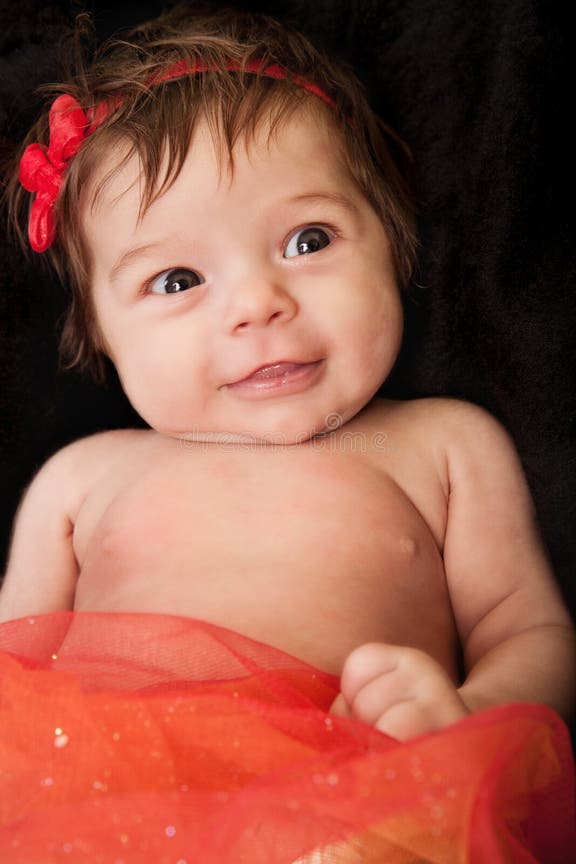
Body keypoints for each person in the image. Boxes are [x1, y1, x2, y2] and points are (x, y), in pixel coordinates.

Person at [0, 4, 574, 861]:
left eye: (309, 240)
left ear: (395, 245)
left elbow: (531, 632)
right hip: (88, 797)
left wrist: (461, 720)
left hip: (356, 798)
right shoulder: (85, 477)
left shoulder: (443, 446)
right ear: (98, 335)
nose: (257, 304)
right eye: (177, 278)